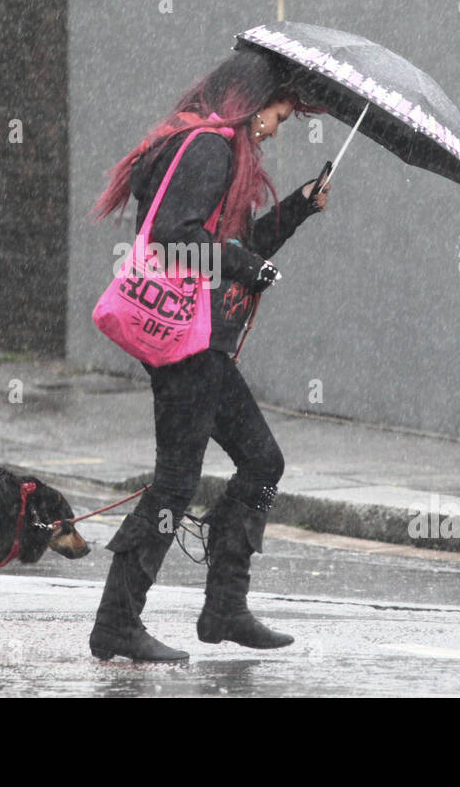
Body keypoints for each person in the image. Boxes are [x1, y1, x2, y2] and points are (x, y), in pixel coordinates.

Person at [86, 50, 331, 662]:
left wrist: (299, 206)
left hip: (200, 343)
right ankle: (118, 621)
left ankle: (224, 606)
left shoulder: (207, 147)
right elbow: (177, 238)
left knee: (261, 462)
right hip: (187, 343)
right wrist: (248, 266)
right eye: (276, 116)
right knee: (175, 482)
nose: (274, 130)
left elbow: (228, 242)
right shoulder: (210, 148)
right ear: (250, 103)